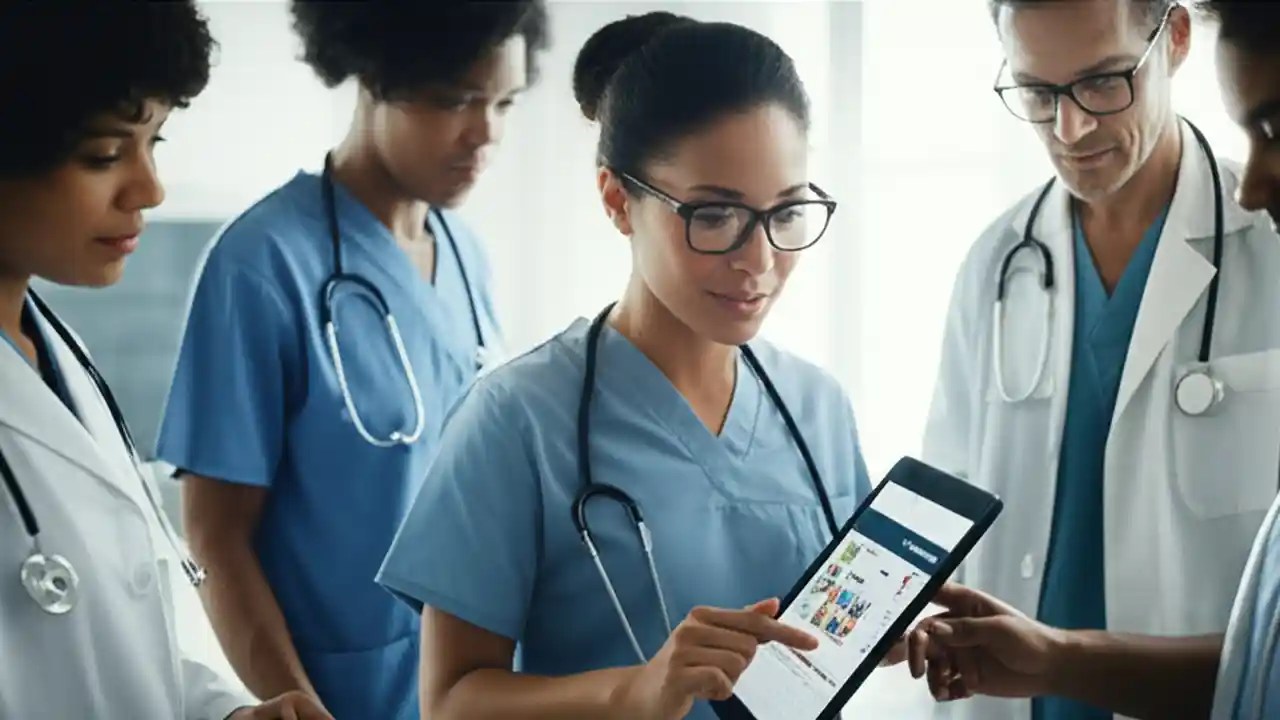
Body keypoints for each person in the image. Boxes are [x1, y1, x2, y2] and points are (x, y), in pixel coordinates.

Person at [375, 12, 873, 720]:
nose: (759, 262)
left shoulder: (817, 406)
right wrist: (636, 690)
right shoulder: (517, 420)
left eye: (786, 213)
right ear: (617, 200)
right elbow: (451, 702)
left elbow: (814, 641)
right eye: (714, 216)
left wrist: (896, 633)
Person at [154, 2, 549, 718]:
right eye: (454, 99)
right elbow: (215, 536)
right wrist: (295, 703)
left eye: (503, 102)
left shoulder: (466, 255)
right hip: (341, 695)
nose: (485, 134)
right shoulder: (262, 263)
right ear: (372, 75)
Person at [903, 2, 1280, 718]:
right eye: (1038, 94)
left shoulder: (1269, 235)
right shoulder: (995, 265)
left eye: (1104, 82)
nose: (1069, 130)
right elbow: (943, 498)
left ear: (1172, 39)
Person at [0, 3, 329, 718]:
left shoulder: (62, 359)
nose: (149, 190)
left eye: (155, 143)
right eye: (104, 155)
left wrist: (228, 714)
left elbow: (114, 638)